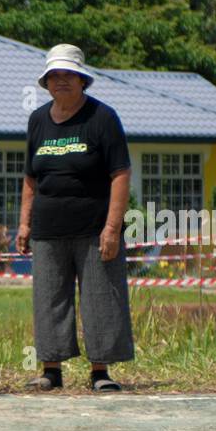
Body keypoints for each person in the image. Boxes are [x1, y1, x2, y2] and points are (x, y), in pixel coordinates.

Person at [16, 44, 134, 392]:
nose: (61, 80)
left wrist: (112, 228)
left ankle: (101, 372)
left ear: (82, 79)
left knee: (101, 299)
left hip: (94, 229)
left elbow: (121, 174)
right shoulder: (37, 120)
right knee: (49, 299)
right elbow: (30, 178)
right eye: (54, 75)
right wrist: (24, 223)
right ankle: (50, 370)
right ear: (46, 81)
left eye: (68, 74)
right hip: (48, 229)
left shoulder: (102, 118)